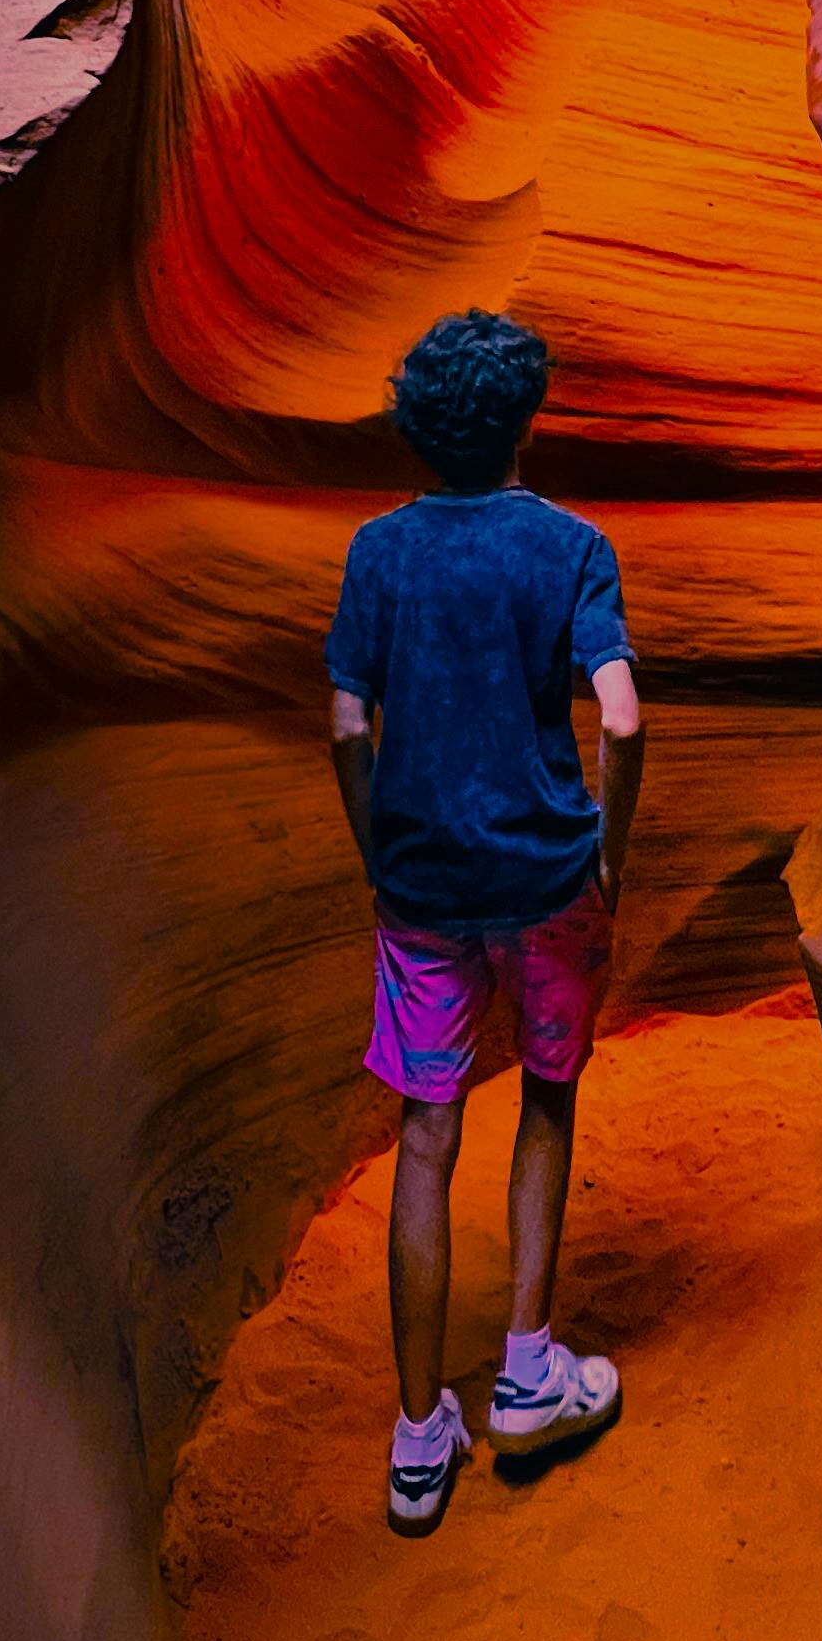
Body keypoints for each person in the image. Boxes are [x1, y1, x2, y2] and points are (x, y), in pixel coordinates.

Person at [326, 309, 645, 1536]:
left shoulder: (378, 554)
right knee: (548, 1097)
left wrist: (380, 857)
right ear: (523, 421)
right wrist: (607, 852)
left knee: (426, 1131)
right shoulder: (570, 546)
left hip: (424, 901)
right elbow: (619, 716)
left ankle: (418, 1445)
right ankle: (525, 1372)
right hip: (550, 885)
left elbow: (349, 725)